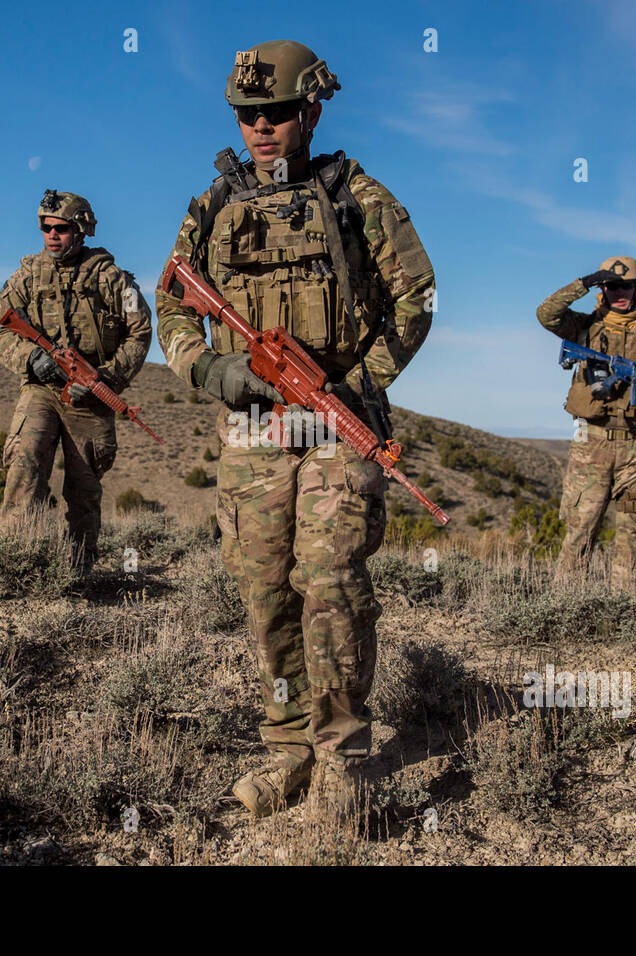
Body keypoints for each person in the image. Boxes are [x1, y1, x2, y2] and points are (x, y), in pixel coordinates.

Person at [155, 40, 435, 816]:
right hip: (252, 431)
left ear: (311, 108)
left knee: (333, 584)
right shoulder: (211, 206)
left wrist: (361, 380)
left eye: (276, 112)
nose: (261, 127)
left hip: (336, 424)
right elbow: (173, 303)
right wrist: (209, 372)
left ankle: (341, 756)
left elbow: (417, 299)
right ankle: (286, 748)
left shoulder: (359, 197)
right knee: (264, 589)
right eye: (248, 115)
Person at [0, 190, 151, 570]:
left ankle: (79, 568)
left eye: (61, 228)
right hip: (41, 389)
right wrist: (30, 358)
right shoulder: (28, 274)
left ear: (80, 231)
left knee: (84, 487)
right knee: (25, 463)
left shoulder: (110, 278)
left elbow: (140, 330)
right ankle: (13, 561)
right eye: (45, 228)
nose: (52, 235)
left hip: (91, 393)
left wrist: (107, 378)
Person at [536, 256, 636, 587]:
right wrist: (583, 283)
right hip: (591, 442)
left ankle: (627, 615)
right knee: (580, 527)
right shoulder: (584, 326)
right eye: (612, 285)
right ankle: (565, 607)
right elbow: (546, 314)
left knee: (634, 532)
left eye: (627, 285)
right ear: (602, 288)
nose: (620, 292)